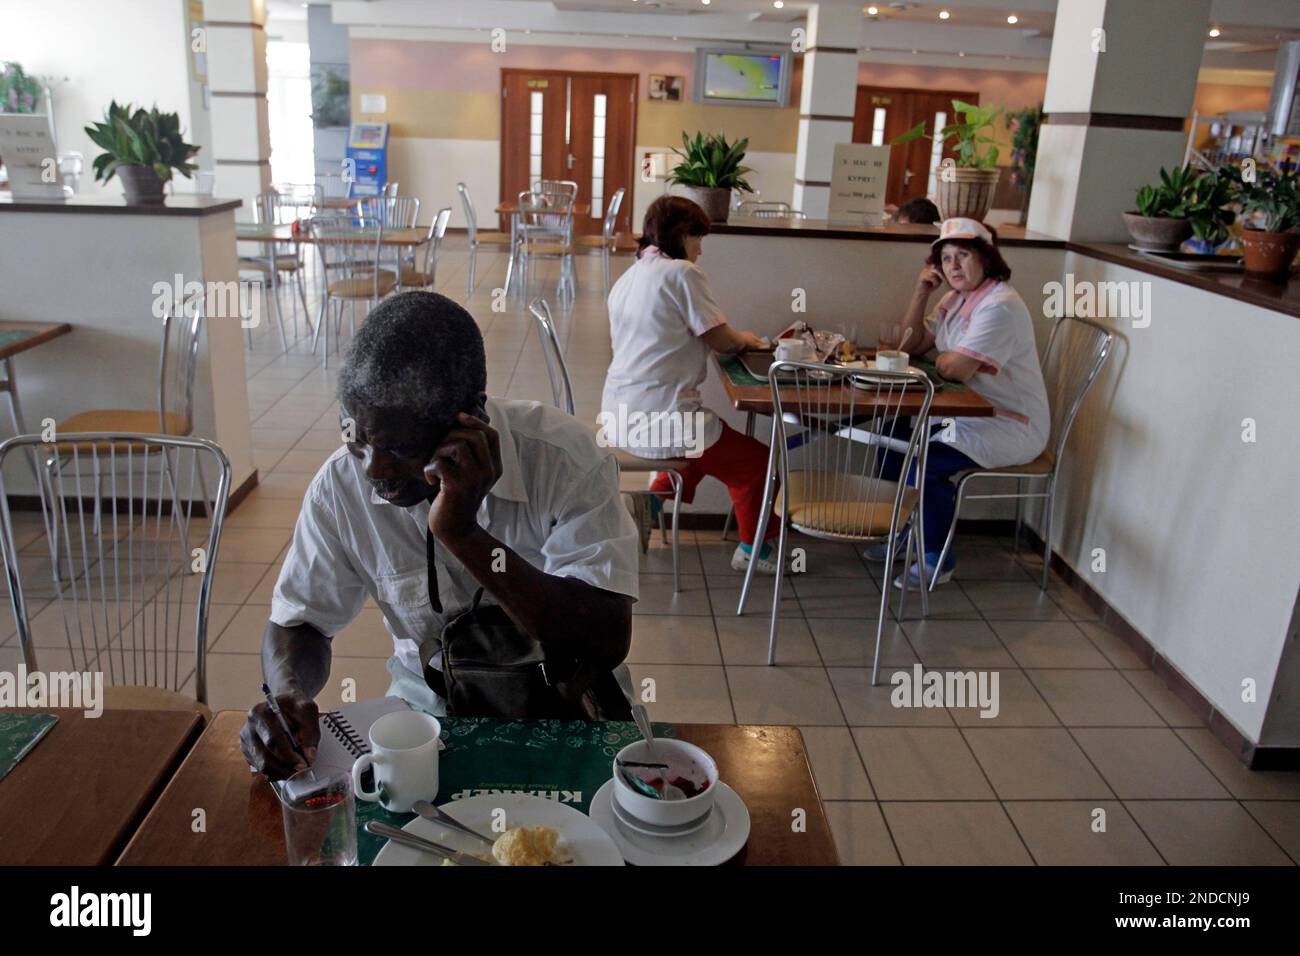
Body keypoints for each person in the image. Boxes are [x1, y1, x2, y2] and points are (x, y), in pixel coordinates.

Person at [241, 292, 639, 779]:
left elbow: (604, 638)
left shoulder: (564, 459)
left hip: (572, 711)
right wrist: (288, 695)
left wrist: (462, 532)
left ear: (472, 418)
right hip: (429, 714)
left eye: (399, 448)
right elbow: (299, 622)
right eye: (356, 436)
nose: (374, 469)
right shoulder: (340, 487)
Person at [601, 195, 781, 573]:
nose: (701, 250)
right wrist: (748, 340)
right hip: (663, 414)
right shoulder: (682, 273)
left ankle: (650, 504)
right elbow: (724, 341)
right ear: (682, 234)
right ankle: (755, 551)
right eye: (699, 239)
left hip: (619, 414)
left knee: (702, 445)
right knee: (758, 464)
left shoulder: (628, 277)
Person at [869, 218, 1050, 587]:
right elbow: (908, 347)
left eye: (963, 255)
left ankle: (938, 557)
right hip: (963, 415)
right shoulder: (956, 298)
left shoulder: (999, 305)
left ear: (986, 258)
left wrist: (943, 359)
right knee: (891, 435)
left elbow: (957, 369)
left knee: (928, 461)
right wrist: (921, 292)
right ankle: (903, 529)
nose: (953, 266)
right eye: (946, 258)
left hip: (1008, 425)